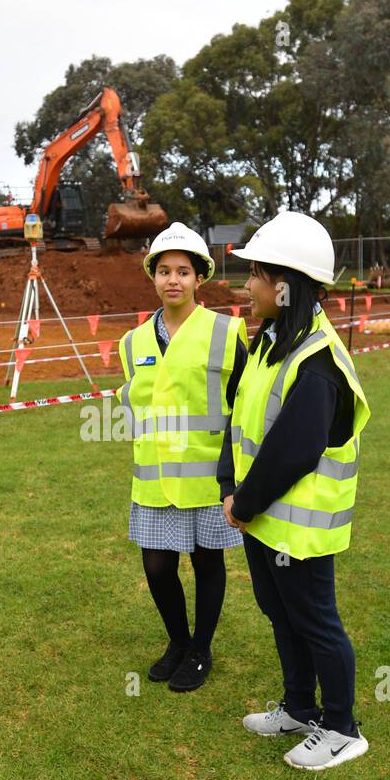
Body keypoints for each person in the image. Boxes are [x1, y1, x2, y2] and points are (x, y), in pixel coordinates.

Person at [219, 211, 372, 771]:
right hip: (263, 519)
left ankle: (341, 728)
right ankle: (299, 707)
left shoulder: (318, 362)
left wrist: (244, 501)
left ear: (285, 284)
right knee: (279, 613)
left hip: (298, 527)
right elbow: (241, 422)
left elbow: (293, 450)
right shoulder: (271, 342)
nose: (248, 285)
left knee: (315, 621)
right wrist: (229, 488)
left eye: (256, 274)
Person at [118, 223, 248, 691]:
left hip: (208, 474)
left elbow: (243, 405)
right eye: (165, 270)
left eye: (184, 272)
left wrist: (235, 474)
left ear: (199, 279)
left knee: (206, 561)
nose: (174, 280)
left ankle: (200, 649)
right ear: (153, 275)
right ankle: (177, 640)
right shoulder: (132, 343)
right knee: (156, 564)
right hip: (153, 476)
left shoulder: (227, 332)